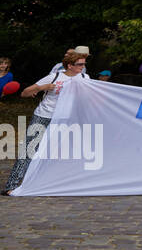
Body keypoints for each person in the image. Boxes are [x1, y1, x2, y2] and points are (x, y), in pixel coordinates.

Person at [6, 53, 89, 193]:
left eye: (84, 64)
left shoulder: (84, 78)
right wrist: (42, 88)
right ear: (69, 65)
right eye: (80, 64)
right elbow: (25, 93)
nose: (83, 67)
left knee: (65, 152)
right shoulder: (54, 76)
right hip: (44, 116)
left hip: (66, 119)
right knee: (29, 150)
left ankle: (54, 183)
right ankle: (12, 186)